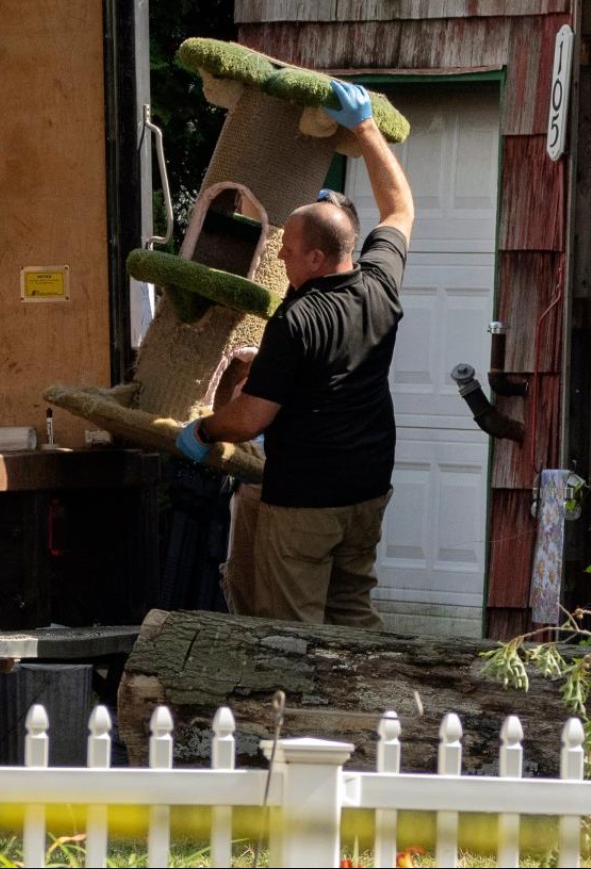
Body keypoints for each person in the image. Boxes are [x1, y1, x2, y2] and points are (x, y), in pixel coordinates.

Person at [175, 79, 415, 629]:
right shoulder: (380, 283)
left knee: (293, 630)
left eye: (286, 250)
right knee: (352, 618)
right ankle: (374, 689)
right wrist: (365, 128)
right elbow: (400, 207)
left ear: (315, 258)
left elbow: (251, 419)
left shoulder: (296, 319)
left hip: (306, 498)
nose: (279, 257)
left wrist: (204, 431)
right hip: (368, 490)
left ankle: (303, 693)